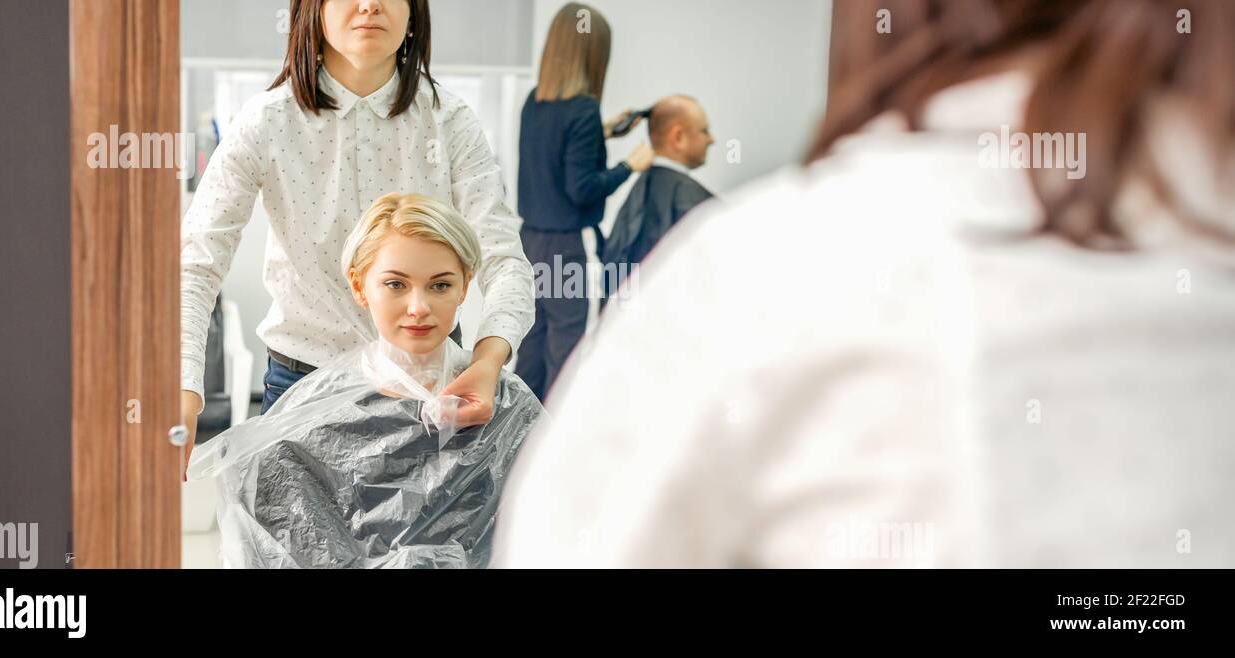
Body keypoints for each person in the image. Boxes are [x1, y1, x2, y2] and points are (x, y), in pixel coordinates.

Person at [493, 0, 1235, 567]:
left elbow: (565, 535)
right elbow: (588, 188)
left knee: (541, 372)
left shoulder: (742, 275)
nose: (715, 142)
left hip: (539, 240)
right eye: (706, 136)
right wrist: (635, 160)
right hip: (577, 243)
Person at [178, 0, 535, 481]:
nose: (369, 5)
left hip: (430, 390)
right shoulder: (267, 120)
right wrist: (183, 387)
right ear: (313, 10)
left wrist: (488, 360)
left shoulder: (449, 120)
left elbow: (505, 260)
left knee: (430, 555)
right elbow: (196, 264)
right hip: (305, 384)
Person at [188, 192, 544, 568]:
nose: (419, 307)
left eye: (440, 285)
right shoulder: (309, 421)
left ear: (464, 287)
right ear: (360, 287)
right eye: (395, 284)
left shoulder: (508, 409)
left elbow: (556, 532)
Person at [515, 2, 654, 402]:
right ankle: (557, 442)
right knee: (568, 347)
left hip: (530, 242)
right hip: (563, 247)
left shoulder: (534, 102)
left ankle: (517, 439)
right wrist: (631, 165)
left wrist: (604, 133)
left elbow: (551, 158)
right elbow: (582, 188)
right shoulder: (583, 110)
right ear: (594, 56)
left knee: (534, 342)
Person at [601, 95, 716, 304]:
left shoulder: (640, 190)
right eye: (704, 131)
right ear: (678, 137)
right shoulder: (696, 202)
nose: (712, 139)